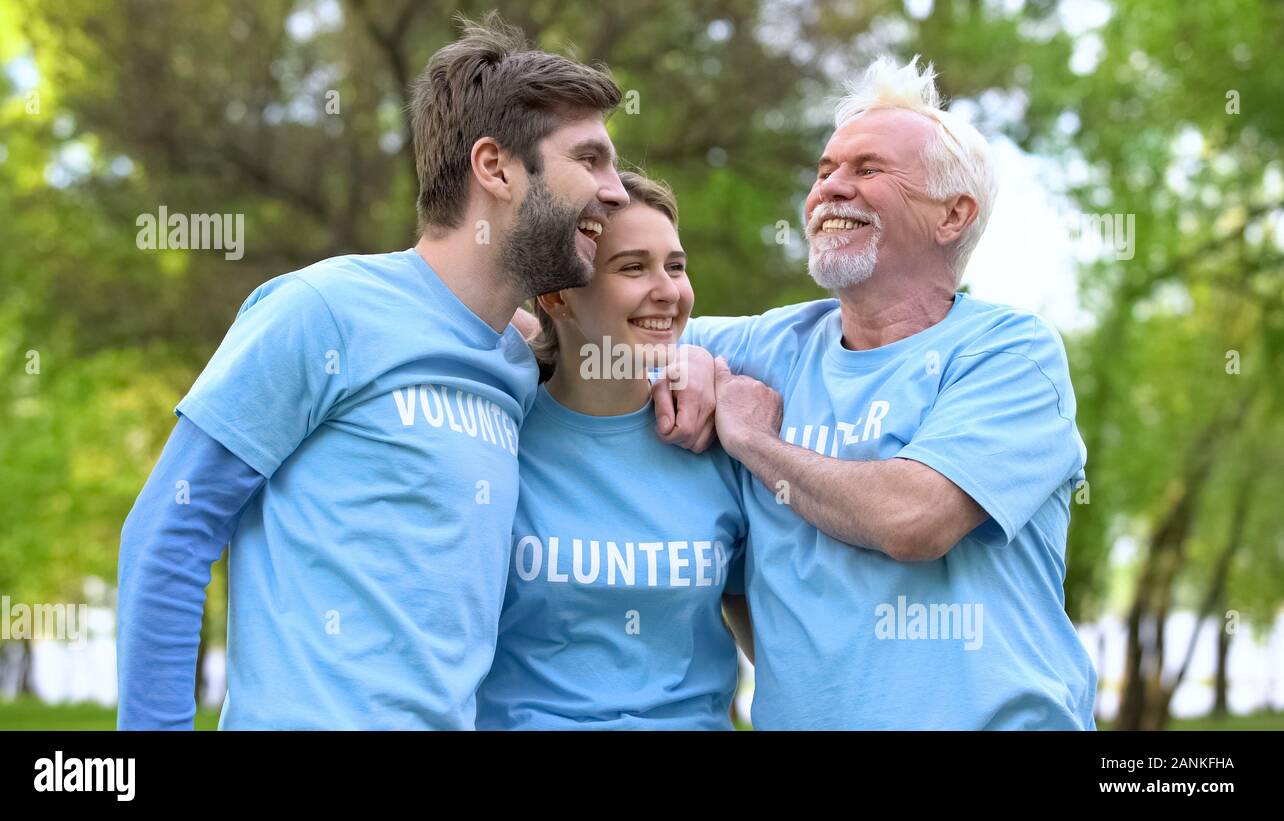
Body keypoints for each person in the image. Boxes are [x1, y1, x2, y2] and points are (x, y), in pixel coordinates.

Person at [115, 14, 636, 729]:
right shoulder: (324, 310)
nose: (618, 192)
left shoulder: (515, 365)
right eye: (591, 159)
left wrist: (690, 372)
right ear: (496, 167)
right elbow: (169, 532)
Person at [685, 55, 1099, 729]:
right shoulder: (773, 345)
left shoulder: (1011, 354)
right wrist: (686, 365)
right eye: (824, 171)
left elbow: (915, 520)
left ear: (952, 215)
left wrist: (754, 440)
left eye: (867, 170)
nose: (830, 190)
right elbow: (592, 336)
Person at [476, 171, 753, 730]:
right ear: (557, 295)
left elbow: (775, 648)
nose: (669, 290)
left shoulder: (716, 441)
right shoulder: (494, 437)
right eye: (632, 267)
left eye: (676, 266)